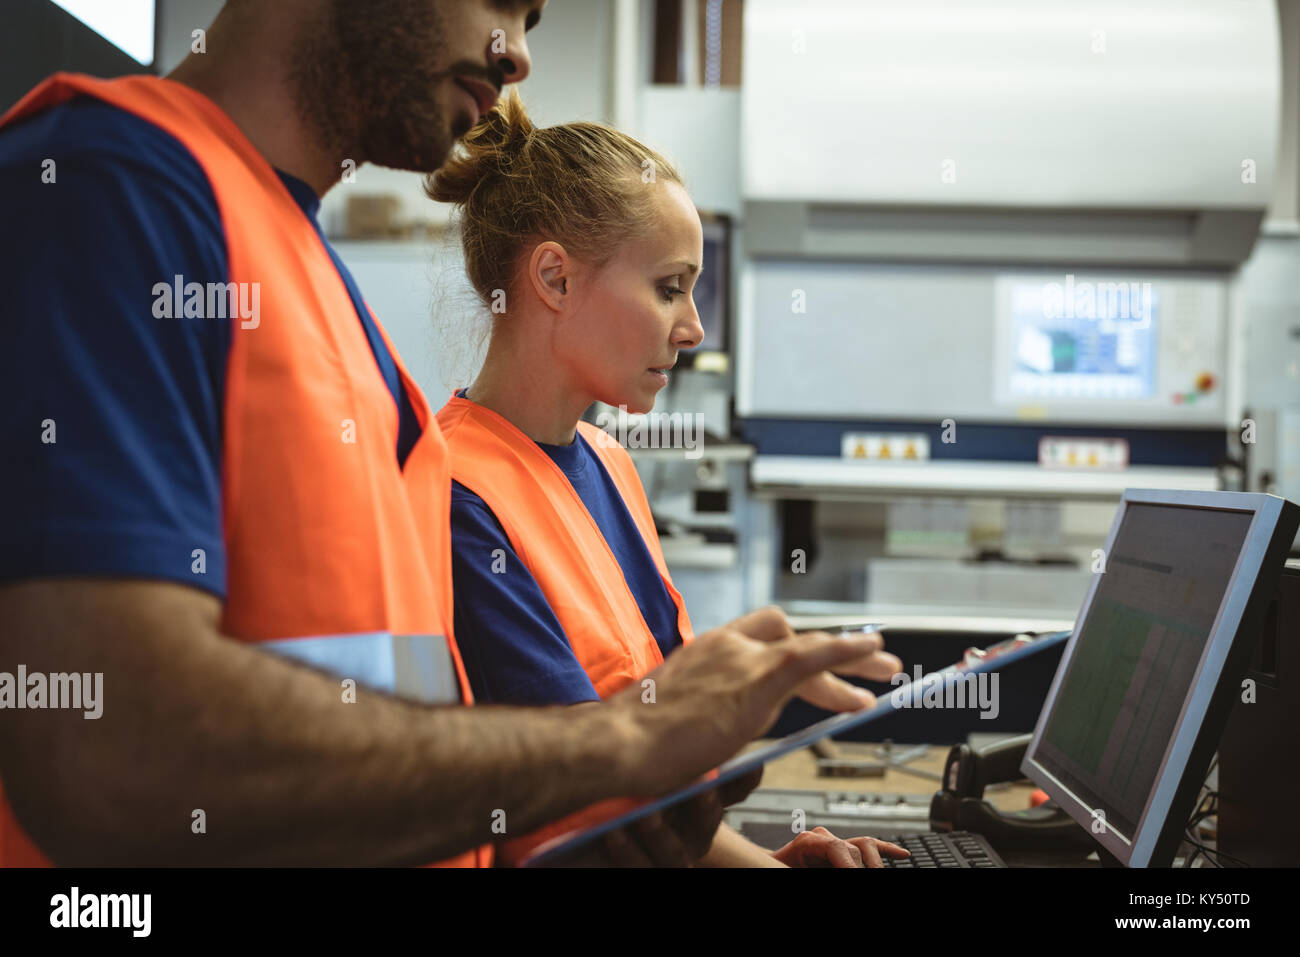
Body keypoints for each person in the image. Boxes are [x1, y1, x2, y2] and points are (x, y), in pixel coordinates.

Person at [0, 0, 897, 867]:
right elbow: (108, 750)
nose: (518, 56)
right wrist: (627, 740)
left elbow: (399, 735)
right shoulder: (107, 186)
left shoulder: (318, 287)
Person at [429, 91, 909, 867]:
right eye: (668, 287)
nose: (693, 327)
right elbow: (585, 813)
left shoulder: (611, 467)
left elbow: (666, 803)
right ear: (554, 278)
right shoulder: (457, 492)